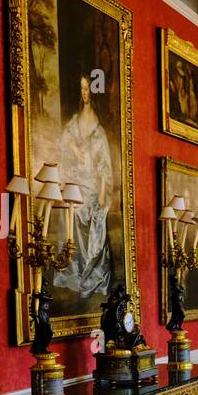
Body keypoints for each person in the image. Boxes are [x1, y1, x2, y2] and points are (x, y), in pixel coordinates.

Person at [54, 73, 114, 299]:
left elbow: (104, 166)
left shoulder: (99, 131)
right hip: (75, 181)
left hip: (91, 185)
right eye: (81, 89)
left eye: (87, 89)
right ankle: (73, 270)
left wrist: (101, 192)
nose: (84, 93)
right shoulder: (75, 120)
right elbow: (64, 141)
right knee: (70, 212)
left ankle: (90, 274)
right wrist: (74, 149)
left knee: (85, 212)